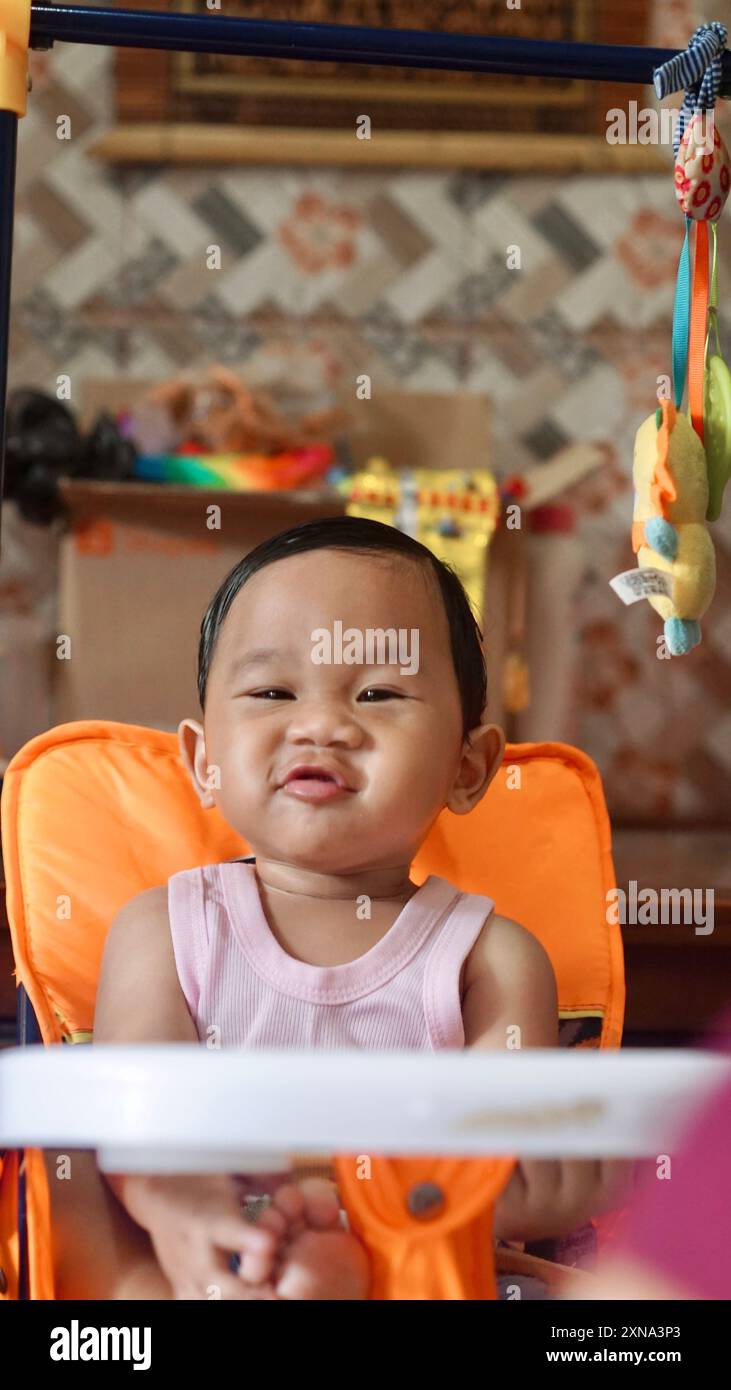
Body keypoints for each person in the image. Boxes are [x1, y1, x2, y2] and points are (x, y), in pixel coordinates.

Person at [84, 515, 628, 1300]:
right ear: (203, 764)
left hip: (425, 1264)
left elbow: (504, 1163)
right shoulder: (165, 933)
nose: (321, 725)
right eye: (272, 691)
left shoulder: (490, 958)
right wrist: (192, 1212)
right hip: (226, 1256)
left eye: (377, 692)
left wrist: (550, 1170)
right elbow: (135, 1116)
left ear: (467, 767)